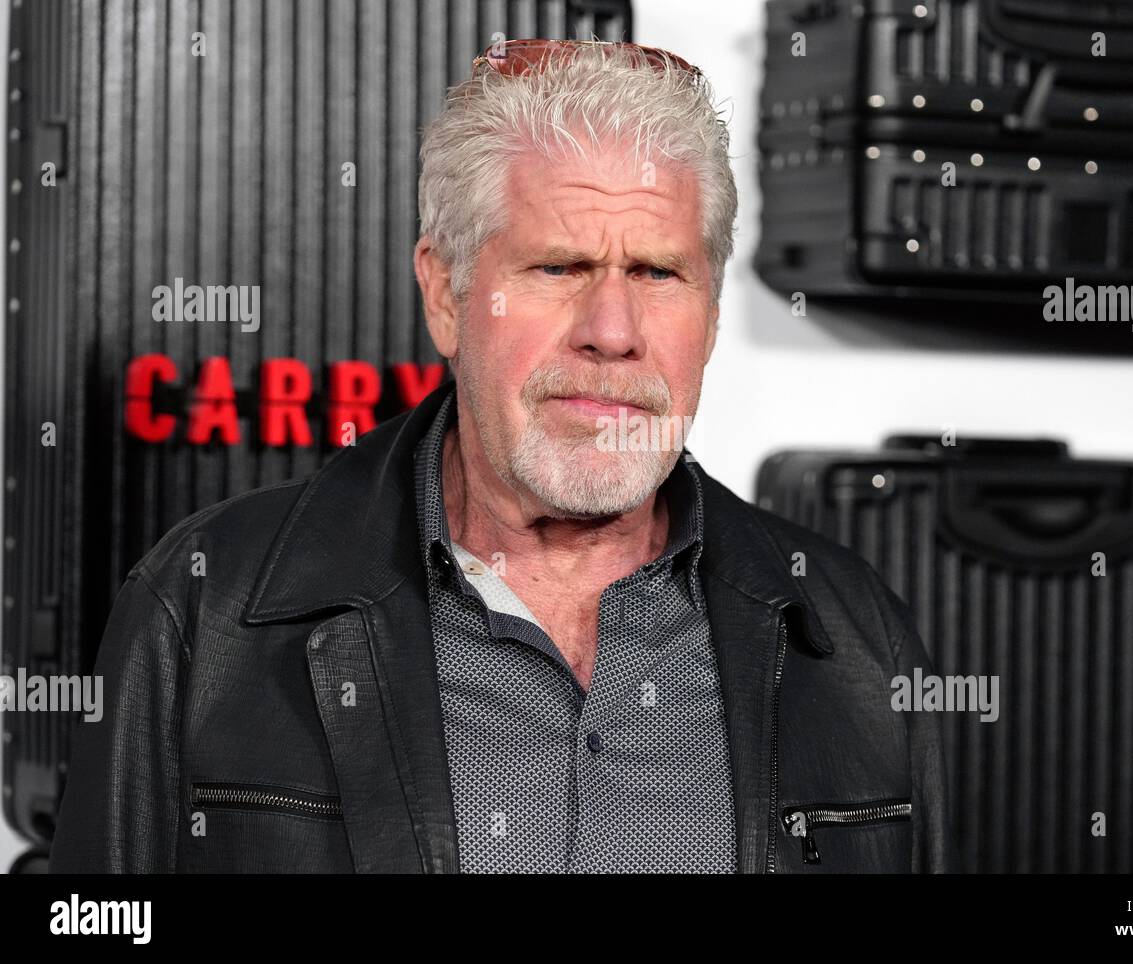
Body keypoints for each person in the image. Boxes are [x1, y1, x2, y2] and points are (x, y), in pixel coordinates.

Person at [49, 39, 955, 873]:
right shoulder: (204, 615)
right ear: (445, 294)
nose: (613, 333)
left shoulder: (857, 642)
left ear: (712, 312)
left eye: (658, 273)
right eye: (558, 268)